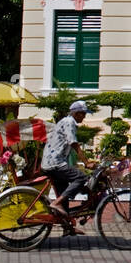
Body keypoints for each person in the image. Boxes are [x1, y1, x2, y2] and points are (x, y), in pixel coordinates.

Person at [41, 100, 92, 234]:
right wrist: (86, 163)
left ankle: (67, 228)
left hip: (53, 162)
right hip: (55, 163)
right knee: (81, 177)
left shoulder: (65, 121)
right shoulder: (69, 123)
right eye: (82, 114)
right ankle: (56, 203)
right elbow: (74, 144)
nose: (84, 116)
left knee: (64, 193)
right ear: (75, 113)